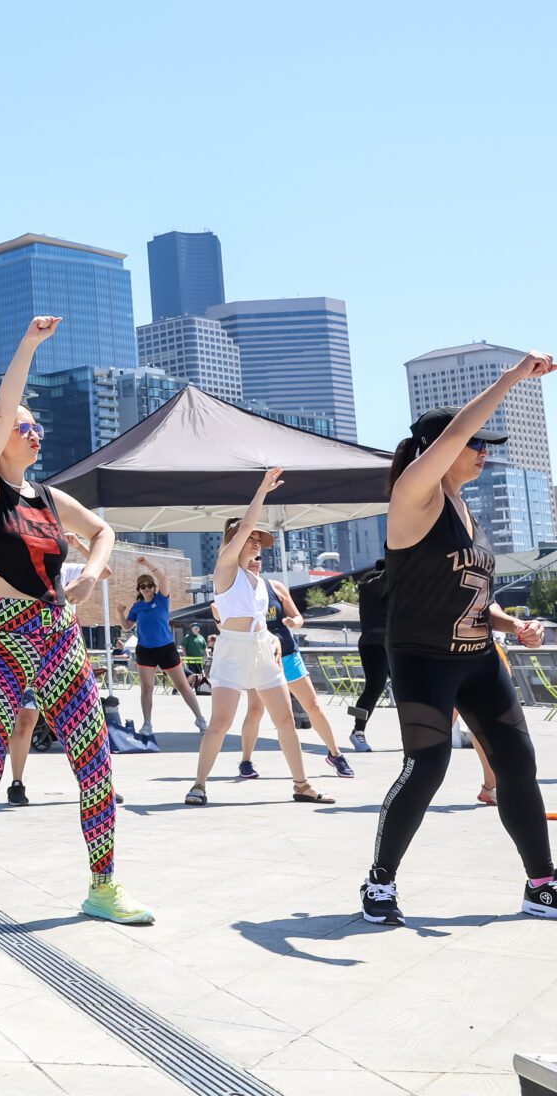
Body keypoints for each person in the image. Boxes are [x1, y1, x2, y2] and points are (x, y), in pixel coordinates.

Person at [0, 314, 149, 935]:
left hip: (58, 633)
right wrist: (27, 345)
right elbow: (3, 412)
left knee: (95, 759)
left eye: (36, 427)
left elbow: (103, 531)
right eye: (25, 427)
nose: (34, 433)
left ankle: (103, 887)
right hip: (1, 635)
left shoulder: (49, 498)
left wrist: (91, 576)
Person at [361, 358, 557, 926]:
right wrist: (512, 379)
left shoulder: (468, 513)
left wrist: (511, 625)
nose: (483, 452)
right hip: (423, 661)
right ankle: (379, 883)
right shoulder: (414, 497)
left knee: (518, 763)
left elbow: (475, 598)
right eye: (476, 443)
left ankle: (542, 884)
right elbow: (452, 436)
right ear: (437, 450)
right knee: (427, 766)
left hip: (478, 661)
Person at [185, 472, 334, 809]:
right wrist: (262, 491)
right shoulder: (225, 568)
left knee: (285, 720)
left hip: (263, 650)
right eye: (250, 537)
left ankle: (302, 784)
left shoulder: (259, 582)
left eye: (258, 540)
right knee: (220, 723)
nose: (256, 542)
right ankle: (199, 784)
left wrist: (273, 640)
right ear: (234, 540)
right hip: (232, 651)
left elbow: (260, 620)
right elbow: (246, 525)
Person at [234, 574, 353, 780]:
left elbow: (298, 618)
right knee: (255, 710)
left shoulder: (274, 587)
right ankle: (246, 761)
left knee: (313, 705)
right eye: (250, 559)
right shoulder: (239, 590)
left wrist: (293, 622)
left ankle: (336, 754)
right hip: (259, 657)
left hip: (288, 654)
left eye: (258, 559)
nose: (255, 562)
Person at [122, 556, 204, 738]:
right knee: (147, 688)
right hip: (145, 650)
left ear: (154, 587)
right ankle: (147, 723)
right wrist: (121, 612)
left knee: (183, 685)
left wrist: (147, 564)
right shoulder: (137, 607)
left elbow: (164, 579)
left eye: (149, 585)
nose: (146, 588)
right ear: (139, 589)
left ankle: (200, 719)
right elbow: (127, 626)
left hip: (166, 648)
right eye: (143, 586)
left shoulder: (161, 599)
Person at [345, 560, 389, 753]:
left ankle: (414, 733)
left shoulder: (389, 588)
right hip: (374, 644)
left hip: (392, 645)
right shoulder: (371, 585)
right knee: (374, 688)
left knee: (407, 689)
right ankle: (357, 730)